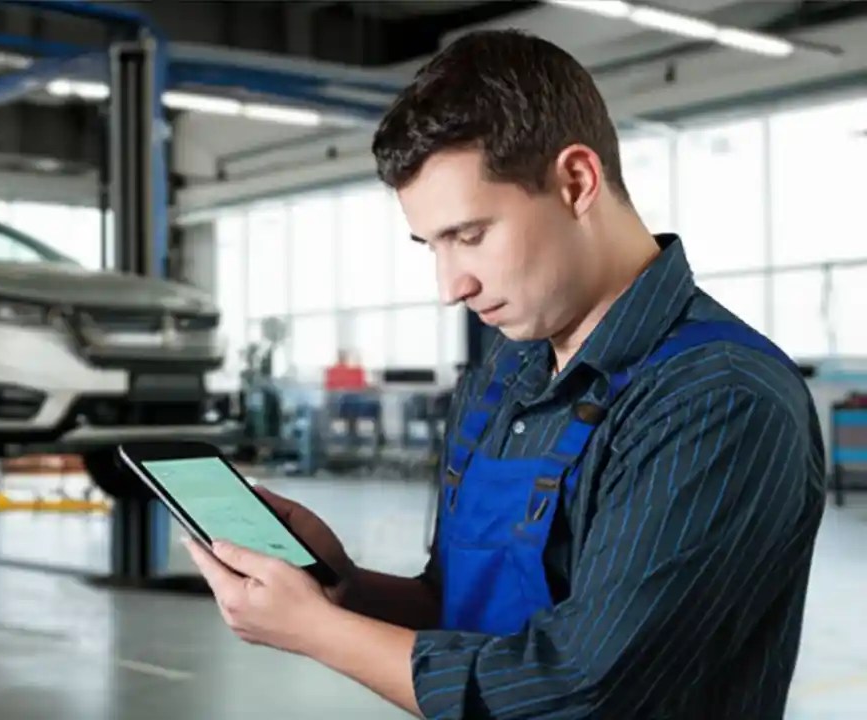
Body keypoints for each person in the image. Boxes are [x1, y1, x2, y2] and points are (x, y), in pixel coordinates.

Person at [182, 29, 826, 719]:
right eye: (431, 245)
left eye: (470, 235)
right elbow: (455, 611)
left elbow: (580, 689)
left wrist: (318, 631)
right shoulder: (506, 374)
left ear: (576, 182)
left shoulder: (717, 399)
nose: (450, 284)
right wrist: (340, 587)